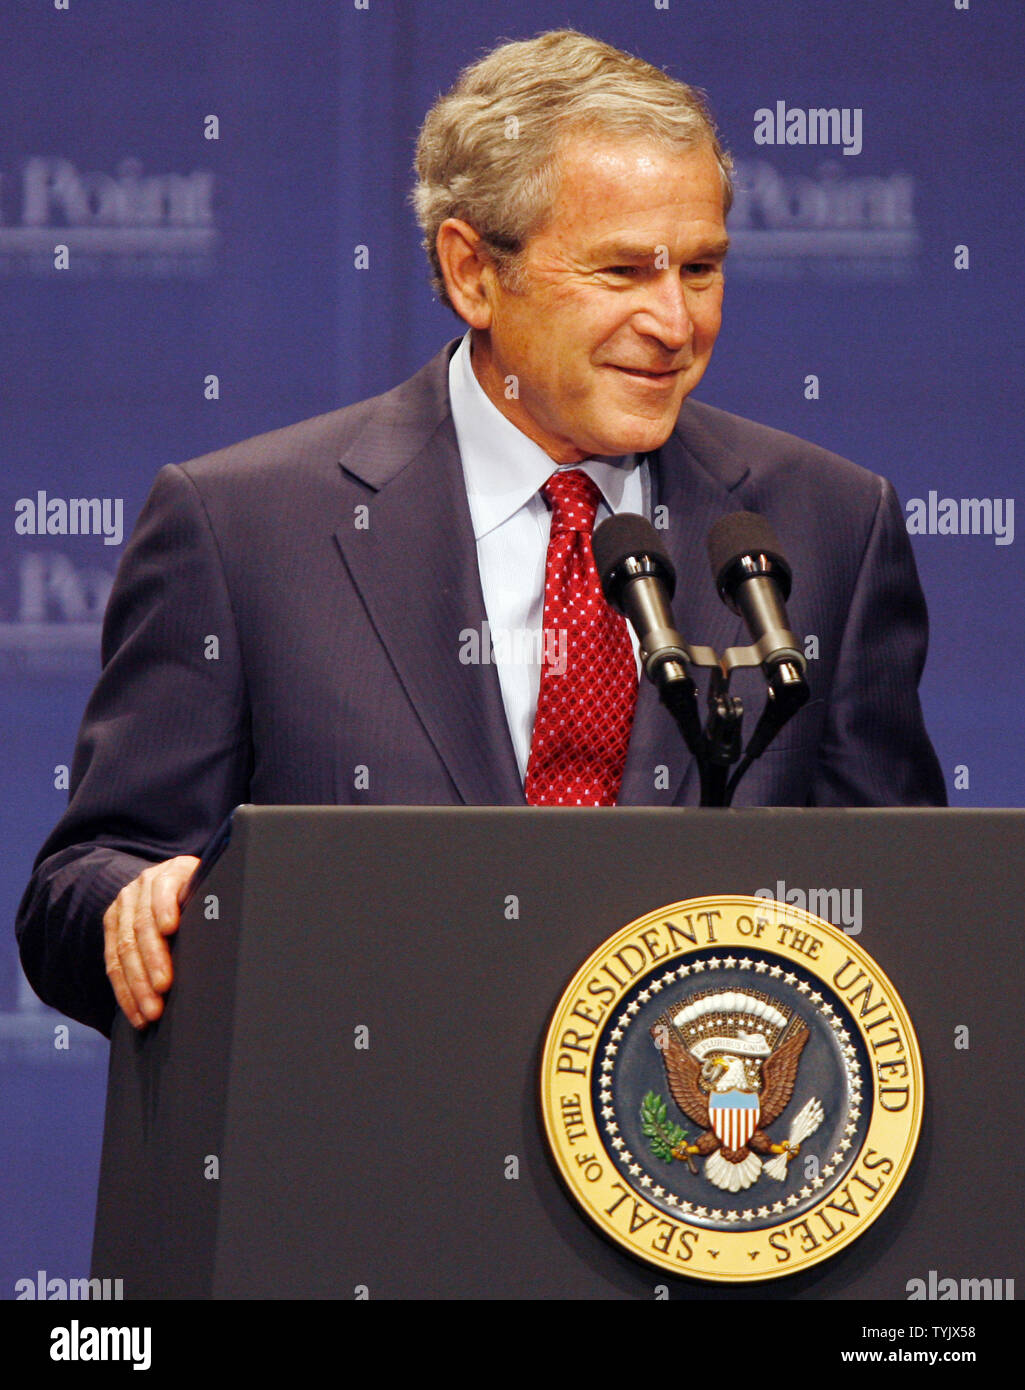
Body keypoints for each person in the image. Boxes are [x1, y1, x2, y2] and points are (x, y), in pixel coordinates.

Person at [15, 30, 945, 1039]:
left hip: (697, 1163)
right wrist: (135, 907)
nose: (676, 323)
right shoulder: (242, 529)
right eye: (623, 271)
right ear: (472, 273)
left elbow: (910, 909)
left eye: (703, 267)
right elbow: (79, 886)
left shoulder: (828, 524)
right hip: (364, 1160)